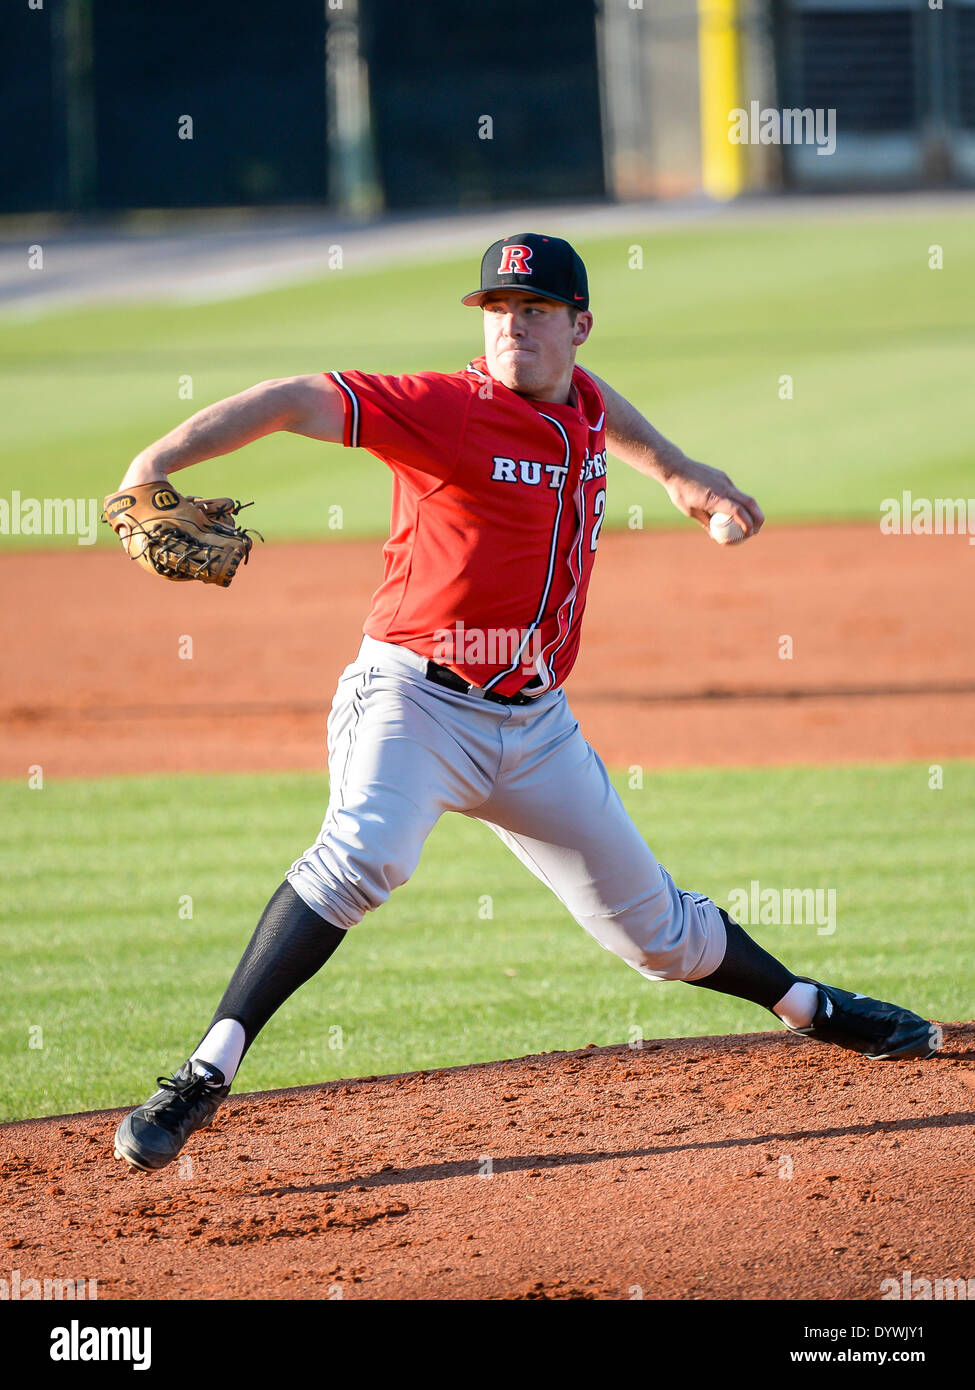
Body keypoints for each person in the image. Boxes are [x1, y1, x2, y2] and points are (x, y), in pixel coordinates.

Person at [111, 233, 940, 1173]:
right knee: (362, 858)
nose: (513, 326)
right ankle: (204, 1074)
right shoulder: (443, 409)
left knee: (658, 937)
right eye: (499, 310)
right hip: (413, 703)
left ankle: (809, 1008)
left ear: (579, 326)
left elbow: (597, 408)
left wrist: (671, 469)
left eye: (536, 310)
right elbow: (297, 397)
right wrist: (153, 460)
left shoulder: (580, 402)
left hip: (535, 728)